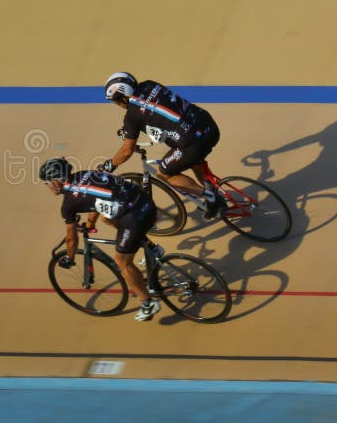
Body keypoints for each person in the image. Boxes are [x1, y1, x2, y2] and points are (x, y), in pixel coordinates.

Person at [39, 156, 161, 321]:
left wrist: (70, 257)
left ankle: (148, 303)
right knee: (107, 218)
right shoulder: (84, 174)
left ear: (57, 182)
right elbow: (96, 201)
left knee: (122, 262)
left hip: (135, 216)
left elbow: (71, 239)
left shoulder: (68, 205)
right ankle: (151, 248)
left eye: (46, 183)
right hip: (145, 202)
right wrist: (90, 223)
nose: (46, 187)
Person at [102, 72, 226, 218]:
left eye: (117, 101)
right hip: (208, 124)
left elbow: (126, 151)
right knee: (194, 160)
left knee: (164, 173)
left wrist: (111, 164)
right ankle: (214, 194)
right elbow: (155, 112)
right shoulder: (150, 84)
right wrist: (129, 131)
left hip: (192, 142)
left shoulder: (131, 116)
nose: (118, 105)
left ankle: (211, 197)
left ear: (124, 96)